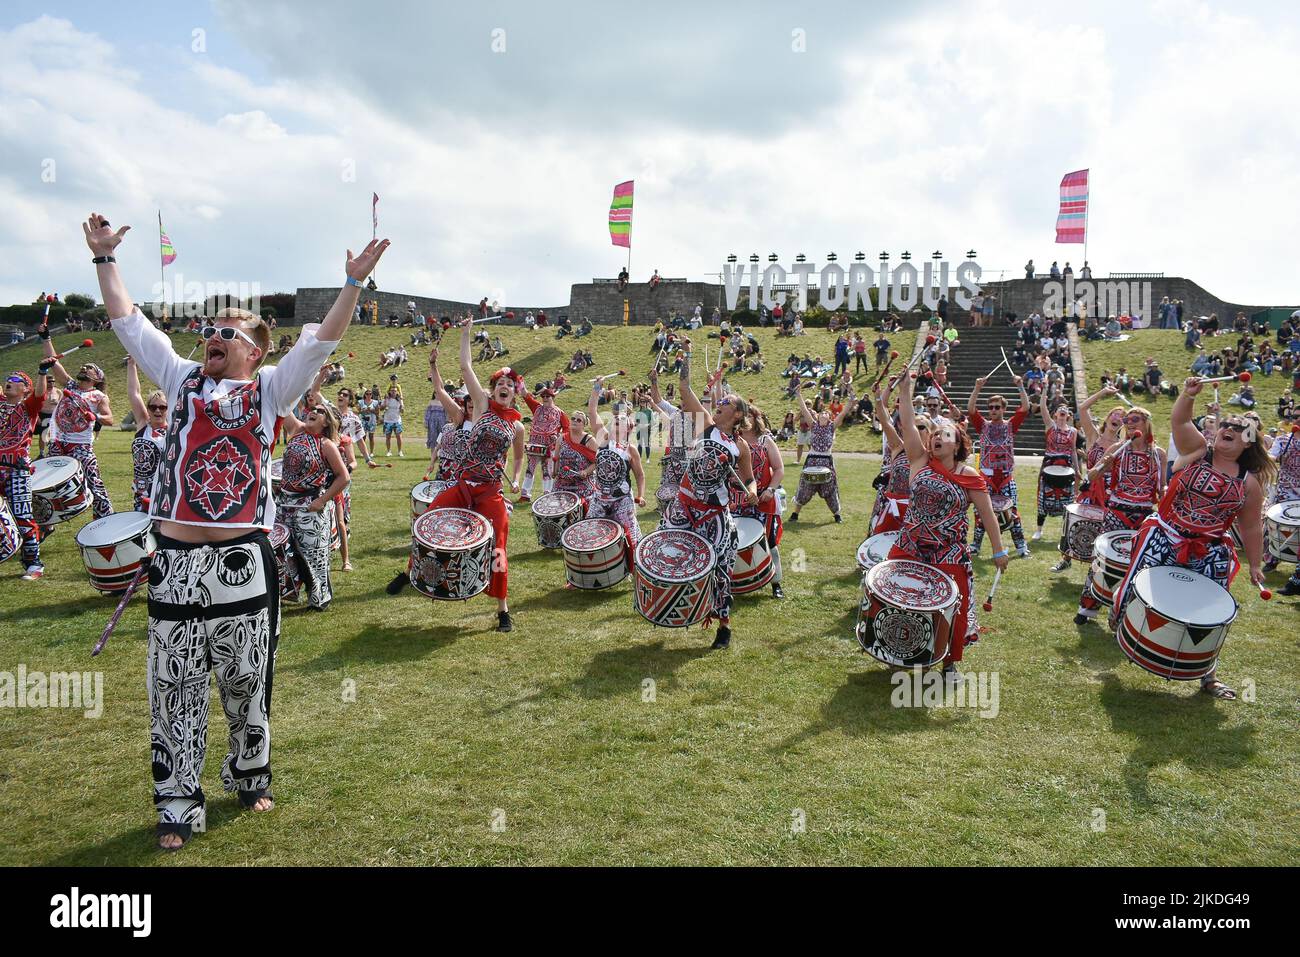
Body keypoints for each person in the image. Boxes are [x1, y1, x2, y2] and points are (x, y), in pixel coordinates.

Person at [87, 209, 389, 849]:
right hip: (174, 561)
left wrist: (353, 285)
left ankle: (250, 774)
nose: (213, 338)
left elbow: (321, 345)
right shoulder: (180, 380)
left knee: (247, 679)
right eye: (209, 332)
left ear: (255, 350)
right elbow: (128, 325)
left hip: (245, 563)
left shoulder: (272, 392)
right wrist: (105, 258)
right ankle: (177, 803)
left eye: (228, 332)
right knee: (174, 686)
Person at [1111, 379, 1271, 700]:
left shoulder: (1250, 484)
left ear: (1249, 443)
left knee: (1209, 615)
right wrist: (1188, 395)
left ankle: (1208, 677)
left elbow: (1251, 527)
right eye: (1226, 424)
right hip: (1166, 534)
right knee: (1134, 594)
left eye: (1238, 429)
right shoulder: (1197, 451)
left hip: (1210, 549)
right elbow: (1181, 420)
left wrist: (1255, 565)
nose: (1228, 428)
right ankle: (1128, 630)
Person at [390, 319, 524, 632]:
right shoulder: (480, 407)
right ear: (493, 390)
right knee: (427, 520)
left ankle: (502, 609)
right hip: (462, 485)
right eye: (499, 384)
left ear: (516, 393)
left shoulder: (517, 426)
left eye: (510, 385)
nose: (504, 387)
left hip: (491, 492)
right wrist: (466, 332)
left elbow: (519, 457)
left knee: (500, 545)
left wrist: (516, 478)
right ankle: (411, 572)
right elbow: (465, 365)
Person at [890, 370, 1009, 683]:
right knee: (901, 597)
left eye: (946, 435)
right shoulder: (918, 459)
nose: (937, 438)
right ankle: (899, 646)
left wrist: (999, 550)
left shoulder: (970, 475)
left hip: (949, 551)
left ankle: (948, 663)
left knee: (949, 606)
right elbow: (906, 423)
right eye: (935, 434)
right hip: (910, 545)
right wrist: (905, 390)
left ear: (958, 445)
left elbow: (987, 515)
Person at [657, 354, 758, 650]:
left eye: (726, 402)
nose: (721, 403)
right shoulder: (705, 425)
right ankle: (666, 607)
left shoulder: (740, 446)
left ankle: (723, 625)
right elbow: (685, 388)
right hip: (684, 504)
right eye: (721, 400)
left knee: (719, 568)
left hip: (714, 513)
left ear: (737, 414)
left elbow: (749, 478)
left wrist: (751, 489)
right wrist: (685, 356)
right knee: (665, 553)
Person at [1074, 405, 1166, 621]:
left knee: (1139, 565)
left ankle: (1126, 614)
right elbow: (1093, 475)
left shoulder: (1158, 453)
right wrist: (1103, 464)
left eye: (1135, 419)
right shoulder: (1118, 448)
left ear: (1147, 423)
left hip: (1144, 515)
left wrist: (1165, 493)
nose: (1130, 423)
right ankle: (1087, 607)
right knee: (1104, 559)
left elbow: (1161, 486)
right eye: (1127, 420)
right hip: (1117, 511)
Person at [279, 382, 350, 608]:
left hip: (311, 506)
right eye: (312, 410)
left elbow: (343, 477)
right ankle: (289, 591)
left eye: (320, 411)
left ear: (326, 421)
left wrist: (321, 500)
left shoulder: (326, 444)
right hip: (285, 504)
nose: (314, 412)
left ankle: (319, 600)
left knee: (314, 557)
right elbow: (283, 407)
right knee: (285, 551)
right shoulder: (297, 430)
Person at [39, 330, 114, 519]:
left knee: (93, 481)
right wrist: (46, 338)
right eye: (83, 366)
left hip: (81, 446)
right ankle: (47, 521)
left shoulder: (98, 396)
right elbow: (52, 360)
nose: (84, 367)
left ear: (97, 378)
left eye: (89, 367)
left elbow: (109, 419)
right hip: (57, 443)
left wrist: (94, 416)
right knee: (47, 482)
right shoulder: (70, 385)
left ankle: (105, 517)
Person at [1051, 385, 1121, 572]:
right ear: (1108, 418)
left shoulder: (1122, 445)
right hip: (1089, 486)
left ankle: (1099, 566)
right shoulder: (1093, 436)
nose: (1118, 417)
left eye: (1122, 416)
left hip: (1108, 490)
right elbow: (1082, 408)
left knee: (1103, 527)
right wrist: (1104, 392)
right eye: (1115, 413)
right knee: (1075, 519)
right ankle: (1066, 559)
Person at [967, 375, 1031, 556]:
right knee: (980, 512)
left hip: (1005, 476)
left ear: (1004, 409)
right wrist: (977, 388)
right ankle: (975, 546)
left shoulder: (1011, 425)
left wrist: (1020, 386)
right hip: (986, 475)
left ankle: (1021, 547)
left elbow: (1025, 407)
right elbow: (971, 409)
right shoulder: (983, 426)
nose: (993, 410)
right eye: (990, 407)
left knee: (1012, 511)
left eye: (996, 407)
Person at [583, 378, 645, 557]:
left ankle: (635, 569)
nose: (615, 421)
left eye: (620, 421)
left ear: (628, 427)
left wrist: (640, 495)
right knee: (587, 533)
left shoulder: (630, 449)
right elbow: (592, 410)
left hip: (622, 499)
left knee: (630, 537)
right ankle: (586, 571)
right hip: (600, 497)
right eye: (614, 419)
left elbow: (640, 475)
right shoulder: (602, 438)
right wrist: (597, 388)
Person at [733, 403, 786, 598]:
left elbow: (779, 469)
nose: (746, 420)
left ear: (756, 419)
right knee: (734, 541)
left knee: (769, 541)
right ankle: (734, 582)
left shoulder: (766, 441)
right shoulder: (733, 440)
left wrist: (771, 489)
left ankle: (776, 582)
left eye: (750, 417)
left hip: (763, 498)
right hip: (736, 499)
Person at [0, 369, 47, 579]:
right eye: (8, 379)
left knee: (22, 515)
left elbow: (40, 394)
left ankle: (34, 563)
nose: (10, 382)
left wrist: (42, 372)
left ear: (25, 388)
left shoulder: (28, 407)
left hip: (17, 470)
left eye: (16, 380)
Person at [789, 386, 851, 523]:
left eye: (826, 414)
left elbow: (843, 413)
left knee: (830, 488)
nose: (823, 414)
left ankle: (837, 515)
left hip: (826, 461)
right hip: (812, 460)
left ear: (829, 418)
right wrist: (799, 395)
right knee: (805, 487)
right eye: (821, 413)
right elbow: (804, 410)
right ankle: (795, 514)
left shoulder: (832, 427)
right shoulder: (813, 425)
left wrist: (850, 401)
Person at [648, 365, 697, 513]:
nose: (683, 402)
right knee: (668, 497)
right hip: (673, 461)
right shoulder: (675, 412)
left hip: (690, 463)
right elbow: (658, 400)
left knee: (689, 497)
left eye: (685, 399)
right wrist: (654, 381)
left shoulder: (698, 417)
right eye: (682, 399)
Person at [1033, 392, 1080, 542]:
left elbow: (1073, 450)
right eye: (1060, 408)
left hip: (1066, 466)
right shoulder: (1050, 426)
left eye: (1065, 408)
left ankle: (1065, 531)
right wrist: (1044, 393)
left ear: (1068, 415)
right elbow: (1042, 408)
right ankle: (1039, 530)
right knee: (1043, 498)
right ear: (1055, 415)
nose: (1063, 409)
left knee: (1067, 498)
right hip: (1049, 464)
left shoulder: (1073, 431)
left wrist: (1078, 469)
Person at [125, 356, 168, 513]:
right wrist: (132, 364)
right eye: (153, 407)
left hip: (165, 489)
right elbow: (134, 393)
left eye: (163, 407)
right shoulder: (143, 424)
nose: (157, 410)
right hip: (142, 490)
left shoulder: (174, 429)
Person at [519, 382, 567, 502]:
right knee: (530, 468)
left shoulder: (559, 413)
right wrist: (520, 383)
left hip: (549, 445)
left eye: (548, 396)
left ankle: (547, 495)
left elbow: (567, 428)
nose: (545, 398)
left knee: (547, 470)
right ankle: (525, 494)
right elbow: (526, 396)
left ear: (552, 397)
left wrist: (559, 437)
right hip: (535, 443)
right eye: (543, 397)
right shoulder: (537, 407)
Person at [382, 383, 404, 456]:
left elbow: (402, 411)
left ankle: (400, 451)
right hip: (387, 420)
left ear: (397, 391)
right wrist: (385, 404)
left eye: (395, 391)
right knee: (388, 437)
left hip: (397, 420)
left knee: (399, 437)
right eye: (392, 391)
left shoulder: (399, 399)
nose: (393, 392)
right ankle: (389, 451)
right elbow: (381, 408)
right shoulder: (386, 399)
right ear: (389, 391)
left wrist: (402, 408)